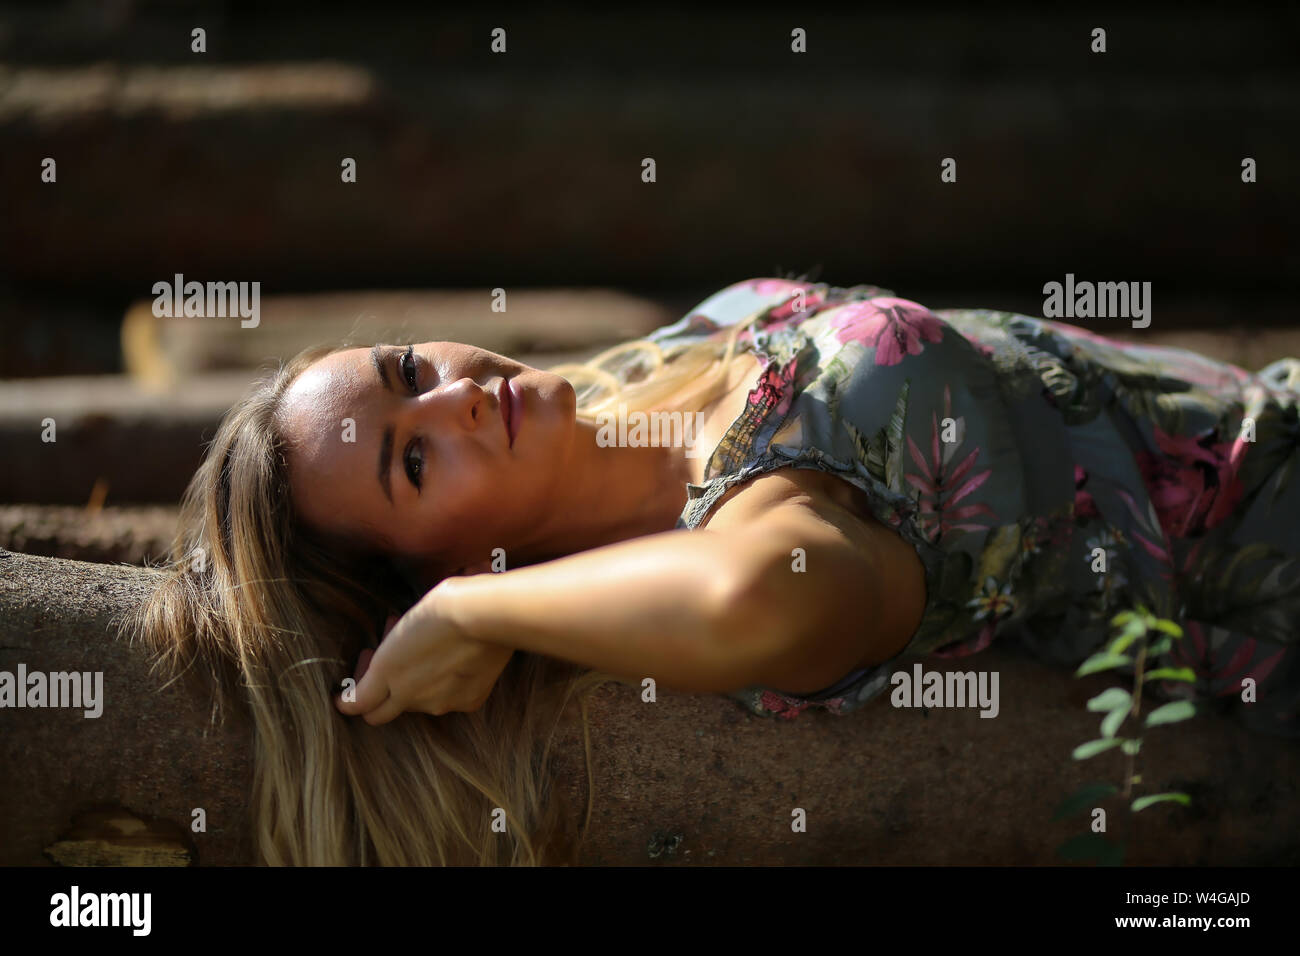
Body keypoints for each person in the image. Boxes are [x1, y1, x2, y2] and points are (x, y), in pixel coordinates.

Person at [129, 275, 1300, 866]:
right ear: (439, 564)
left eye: (403, 368)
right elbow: (756, 597)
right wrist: (472, 612)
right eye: (416, 460)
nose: (454, 393)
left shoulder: (650, 368)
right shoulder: (748, 527)